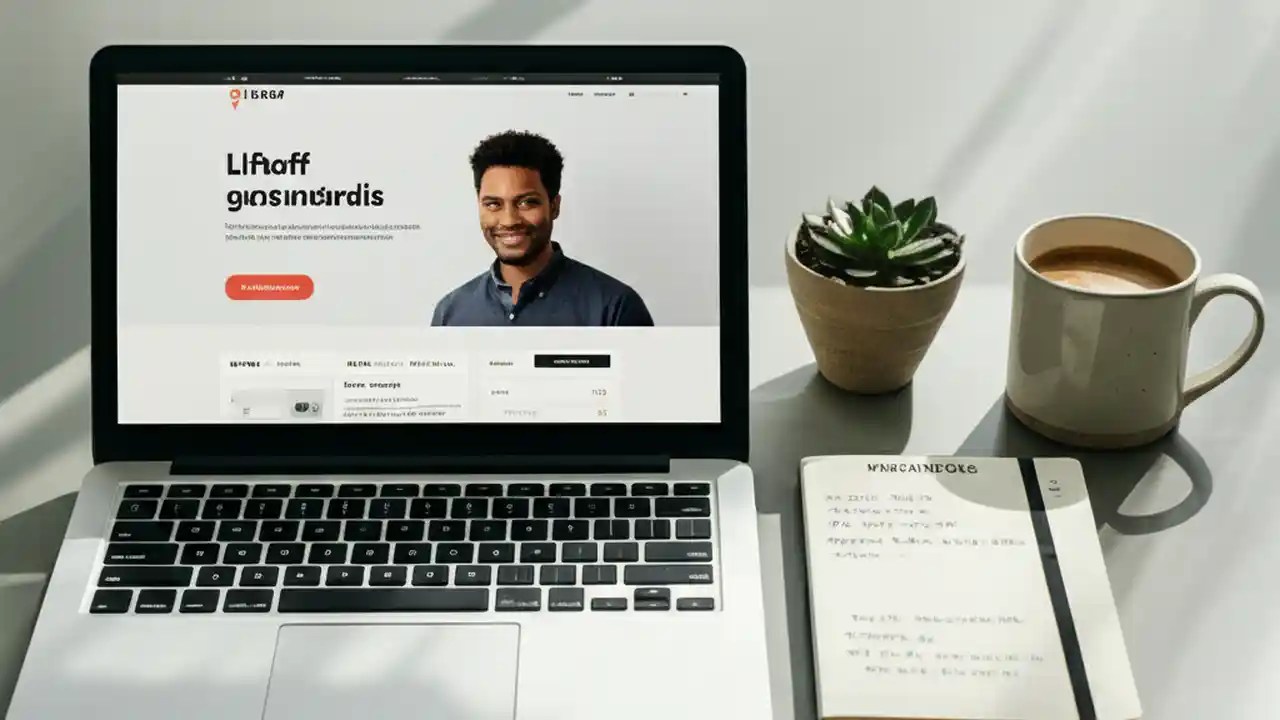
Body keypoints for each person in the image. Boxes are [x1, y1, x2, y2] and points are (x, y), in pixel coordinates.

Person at [431, 130, 655, 327]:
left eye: (526, 202)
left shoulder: (614, 307)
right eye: (493, 204)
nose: (509, 220)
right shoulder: (450, 313)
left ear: (554, 206)